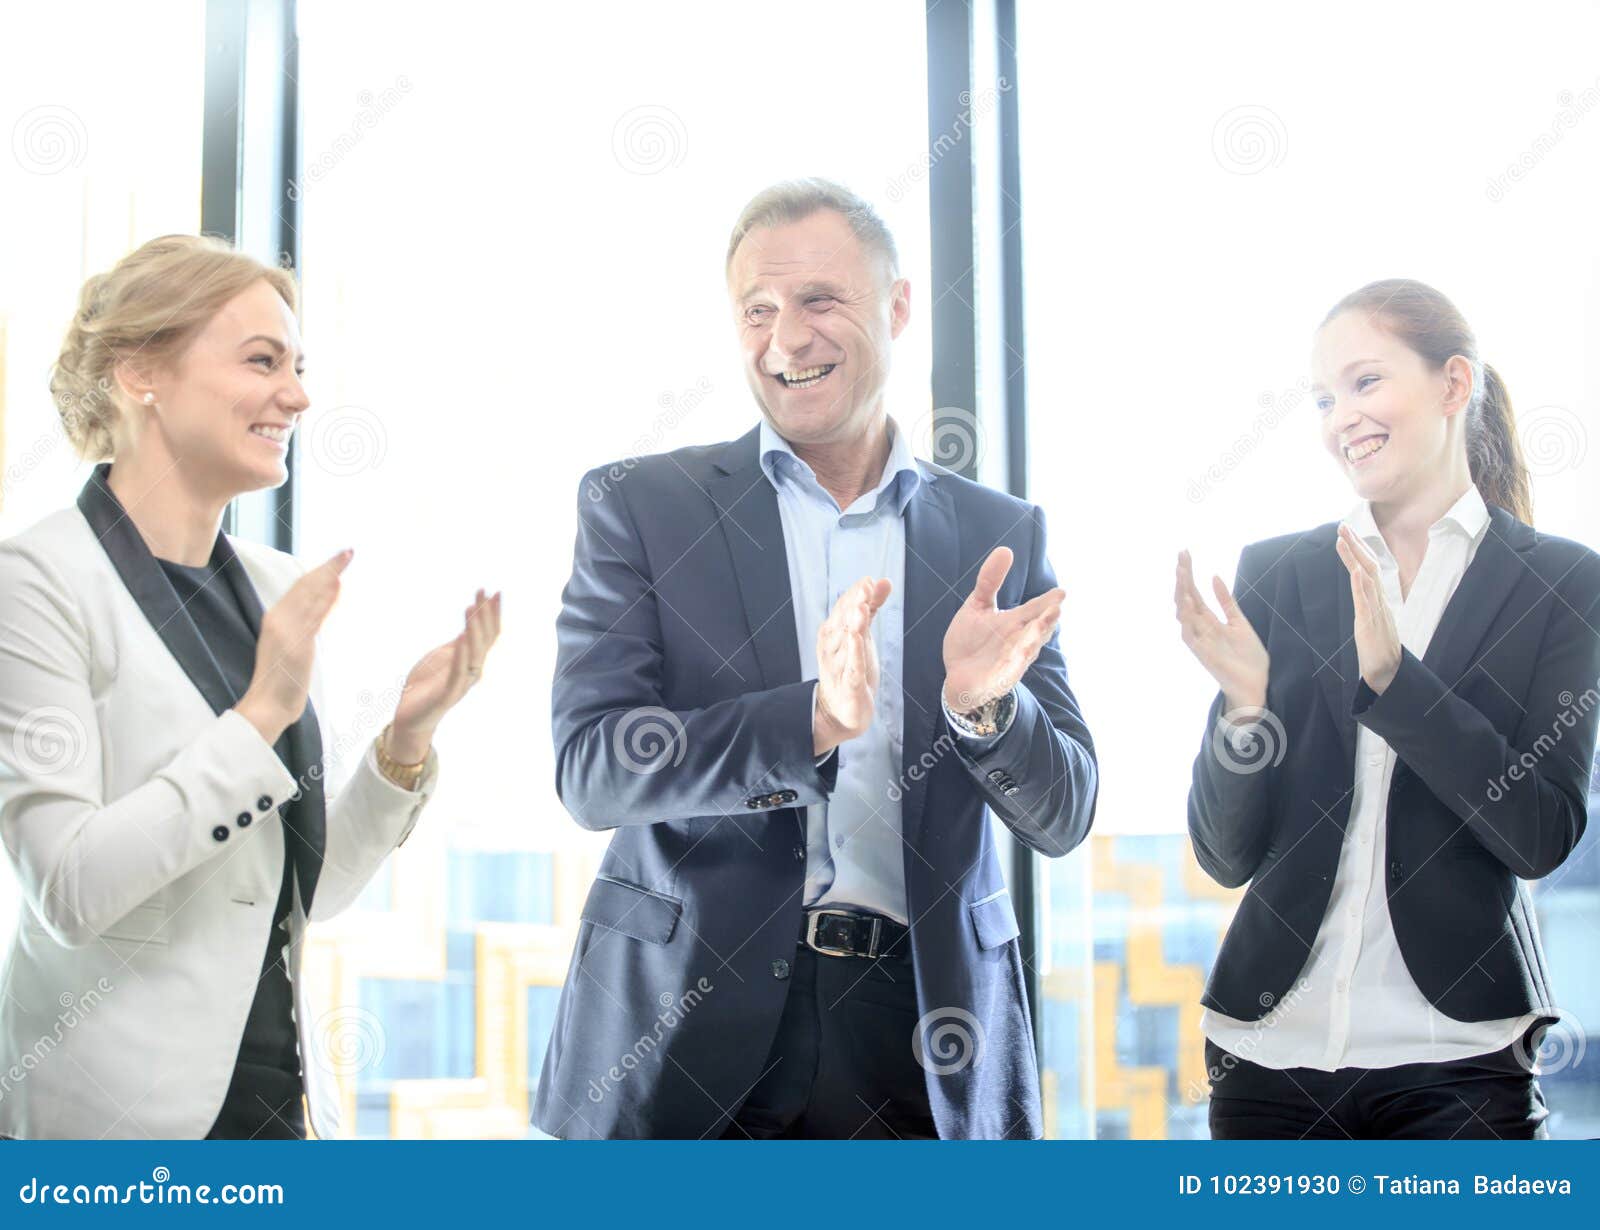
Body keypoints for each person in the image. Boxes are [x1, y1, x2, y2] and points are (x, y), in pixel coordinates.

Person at [532, 179, 1098, 1140]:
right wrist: (812, 723)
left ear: (899, 306)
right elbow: (592, 769)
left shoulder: (997, 534)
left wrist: (984, 711)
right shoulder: (641, 507)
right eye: (758, 310)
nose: (785, 340)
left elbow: (1065, 813)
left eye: (820, 301)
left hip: (925, 1036)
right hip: (680, 1030)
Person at [0, 235, 501, 1139]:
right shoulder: (34, 583)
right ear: (140, 372)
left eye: (300, 366)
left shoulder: (270, 585)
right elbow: (69, 890)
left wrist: (405, 745)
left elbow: (302, 892)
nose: (299, 396)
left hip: (279, 1106)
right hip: (115, 1125)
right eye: (263, 361)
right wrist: (263, 709)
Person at [1177, 278, 1600, 1138]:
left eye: (1366, 382)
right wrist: (1245, 711)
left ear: (1453, 385)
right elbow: (1225, 856)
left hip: (1458, 1064)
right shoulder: (1280, 575)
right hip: (1268, 1061)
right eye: (1326, 397)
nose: (1342, 417)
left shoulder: (1561, 584)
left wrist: (1398, 685)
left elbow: (1539, 834)